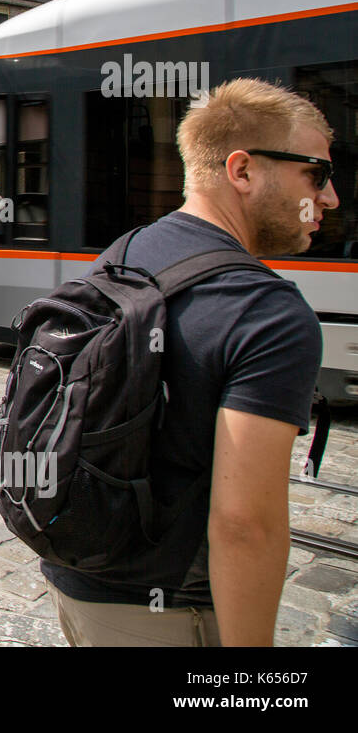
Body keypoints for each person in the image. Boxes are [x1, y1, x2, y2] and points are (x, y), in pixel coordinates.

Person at [43, 79, 339, 647]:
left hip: (77, 588)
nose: (329, 198)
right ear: (243, 170)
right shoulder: (269, 312)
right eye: (316, 174)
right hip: (173, 617)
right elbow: (245, 526)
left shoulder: (124, 251)